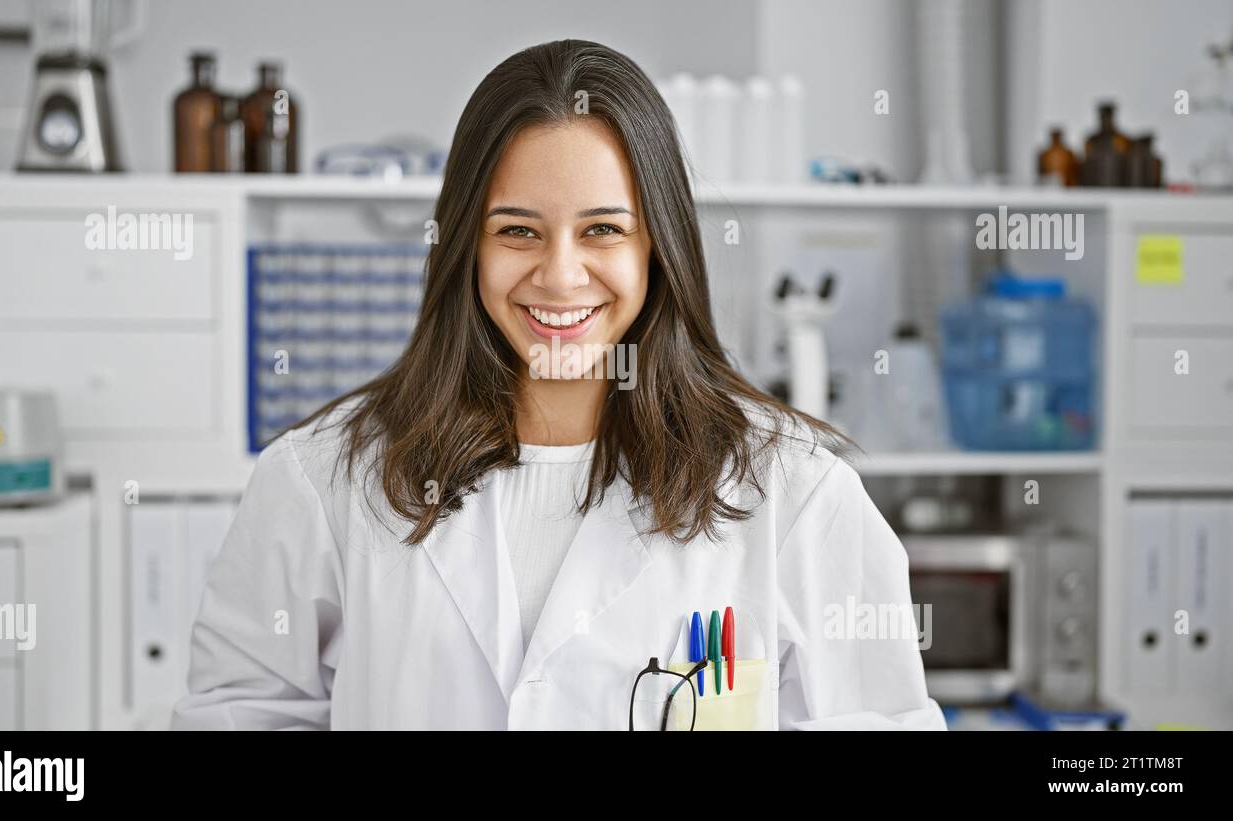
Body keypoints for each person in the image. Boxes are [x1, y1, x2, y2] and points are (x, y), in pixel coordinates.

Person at [172, 39, 945, 730]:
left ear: (658, 245)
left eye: (602, 229)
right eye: (518, 230)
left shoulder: (796, 495)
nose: (560, 275)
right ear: (466, 244)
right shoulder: (324, 482)